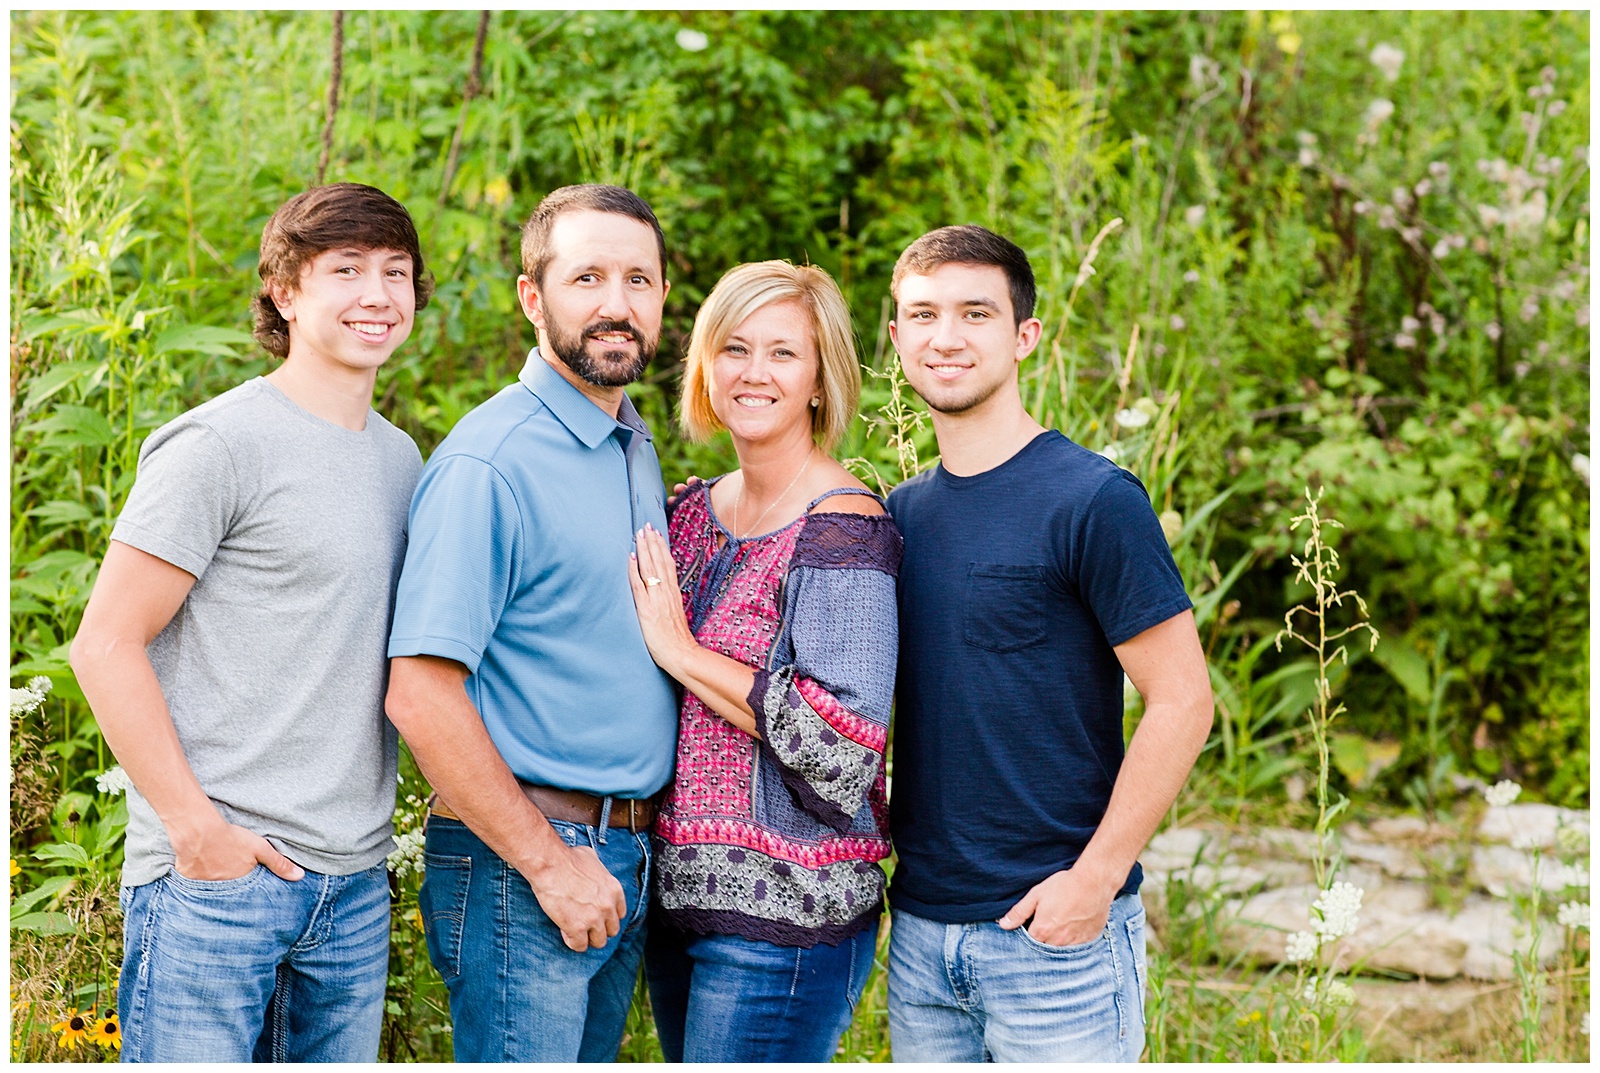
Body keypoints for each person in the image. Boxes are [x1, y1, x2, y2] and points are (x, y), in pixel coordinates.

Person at [69, 183, 431, 1062]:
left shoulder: (400, 458)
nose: (377, 294)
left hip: (350, 889)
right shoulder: (220, 444)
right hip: (217, 884)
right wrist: (196, 830)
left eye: (396, 271)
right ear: (285, 289)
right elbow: (104, 643)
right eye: (346, 269)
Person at [882, 225, 1214, 1062]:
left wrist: (1095, 881)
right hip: (922, 939)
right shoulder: (900, 514)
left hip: (1052, 940)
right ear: (895, 337)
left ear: (1025, 336)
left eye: (975, 313)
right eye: (922, 314)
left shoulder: (1092, 499)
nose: (945, 336)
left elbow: (1183, 700)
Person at [383, 184, 678, 1063]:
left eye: (639, 279)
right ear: (531, 296)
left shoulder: (631, 445)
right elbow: (421, 694)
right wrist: (550, 863)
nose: (616, 305)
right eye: (586, 277)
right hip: (526, 863)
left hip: (625, 852)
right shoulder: (492, 462)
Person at [627, 260, 901, 1063]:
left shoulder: (843, 529)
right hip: (677, 906)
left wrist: (683, 650)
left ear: (820, 380)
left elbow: (843, 748)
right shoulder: (687, 514)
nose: (754, 373)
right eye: (735, 348)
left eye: (783, 354)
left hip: (789, 921)